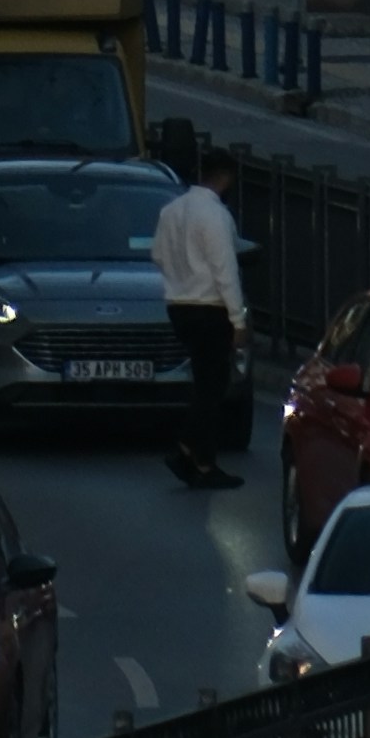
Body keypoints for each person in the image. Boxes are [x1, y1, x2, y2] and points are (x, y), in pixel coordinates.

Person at [152, 143, 248, 491]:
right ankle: (196, 456)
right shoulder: (216, 216)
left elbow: (158, 255)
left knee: (204, 382)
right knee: (213, 387)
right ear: (225, 177)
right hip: (210, 308)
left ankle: (195, 458)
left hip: (179, 306)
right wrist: (238, 320)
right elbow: (226, 269)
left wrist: (180, 280)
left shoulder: (171, 211)